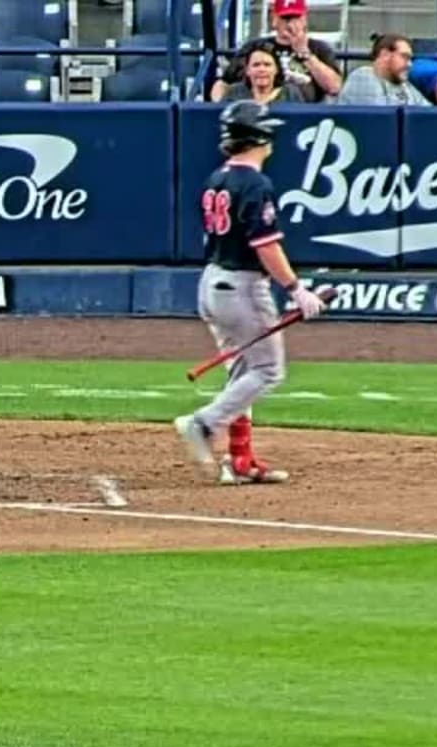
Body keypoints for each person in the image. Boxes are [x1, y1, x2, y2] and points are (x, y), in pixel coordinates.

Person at [174, 101, 327, 485]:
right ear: (258, 136)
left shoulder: (218, 178)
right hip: (241, 286)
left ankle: (240, 460)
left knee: (243, 373)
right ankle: (204, 423)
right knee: (267, 370)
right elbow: (265, 245)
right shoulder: (255, 184)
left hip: (213, 282)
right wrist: (296, 289)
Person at [212, 0, 341, 103]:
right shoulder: (254, 47)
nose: (290, 24)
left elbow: (335, 87)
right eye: (285, 18)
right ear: (274, 19)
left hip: (302, 114)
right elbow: (223, 83)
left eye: (295, 17)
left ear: (304, 19)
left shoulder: (319, 48)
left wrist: (305, 54)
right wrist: (218, 108)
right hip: (254, 110)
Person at [338, 33, 429, 106]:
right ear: (385, 55)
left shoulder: (405, 85)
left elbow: (427, 113)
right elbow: (380, 119)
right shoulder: (363, 76)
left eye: (410, 59)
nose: (410, 64)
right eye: (404, 57)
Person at [221, 44, 305, 103]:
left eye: (267, 65)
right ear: (247, 70)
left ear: (276, 69)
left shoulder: (290, 92)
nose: (261, 69)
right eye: (256, 65)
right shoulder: (234, 92)